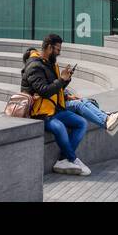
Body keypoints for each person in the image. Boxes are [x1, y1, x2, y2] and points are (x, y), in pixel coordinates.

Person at [21, 34, 91, 176]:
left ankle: (63, 160)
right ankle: (73, 159)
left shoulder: (50, 63)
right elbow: (44, 91)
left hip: (53, 109)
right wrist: (61, 80)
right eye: (57, 49)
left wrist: (66, 79)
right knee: (60, 127)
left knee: (81, 123)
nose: (59, 52)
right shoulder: (34, 66)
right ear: (48, 47)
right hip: (39, 113)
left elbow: (56, 88)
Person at [21, 49, 118, 136]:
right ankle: (106, 121)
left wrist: (67, 93)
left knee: (86, 101)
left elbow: (53, 87)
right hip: (47, 109)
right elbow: (46, 91)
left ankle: (106, 117)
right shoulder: (34, 70)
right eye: (35, 54)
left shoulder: (41, 67)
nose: (39, 54)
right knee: (80, 104)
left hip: (55, 103)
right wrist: (64, 90)